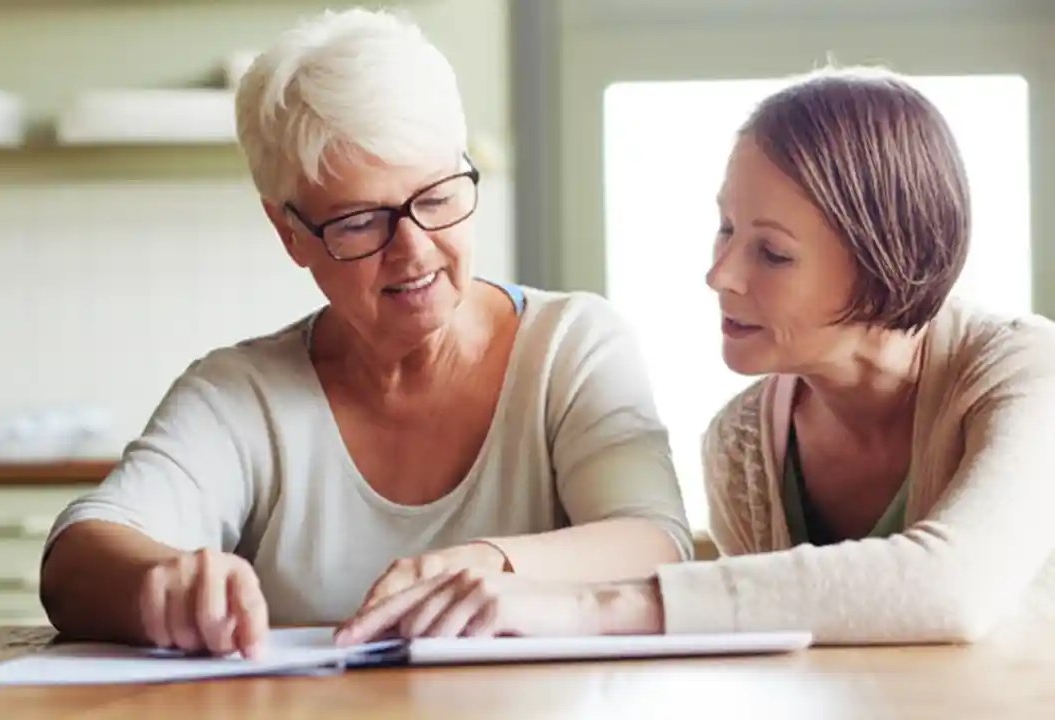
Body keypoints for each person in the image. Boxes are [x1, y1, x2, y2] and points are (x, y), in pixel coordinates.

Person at [39, 8, 691, 658]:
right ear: (290, 232)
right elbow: (75, 560)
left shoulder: (570, 347)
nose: (413, 251)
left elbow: (654, 541)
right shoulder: (242, 395)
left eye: (436, 197)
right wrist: (162, 582)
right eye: (359, 221)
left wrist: (489, 566)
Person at [336, 67, 1055, 647]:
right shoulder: (743, 445)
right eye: (725, 229)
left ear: (883, 263)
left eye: (771, 252)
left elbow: (954, 587)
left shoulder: (1022, 372)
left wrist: (584, 606)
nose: (722, 275)